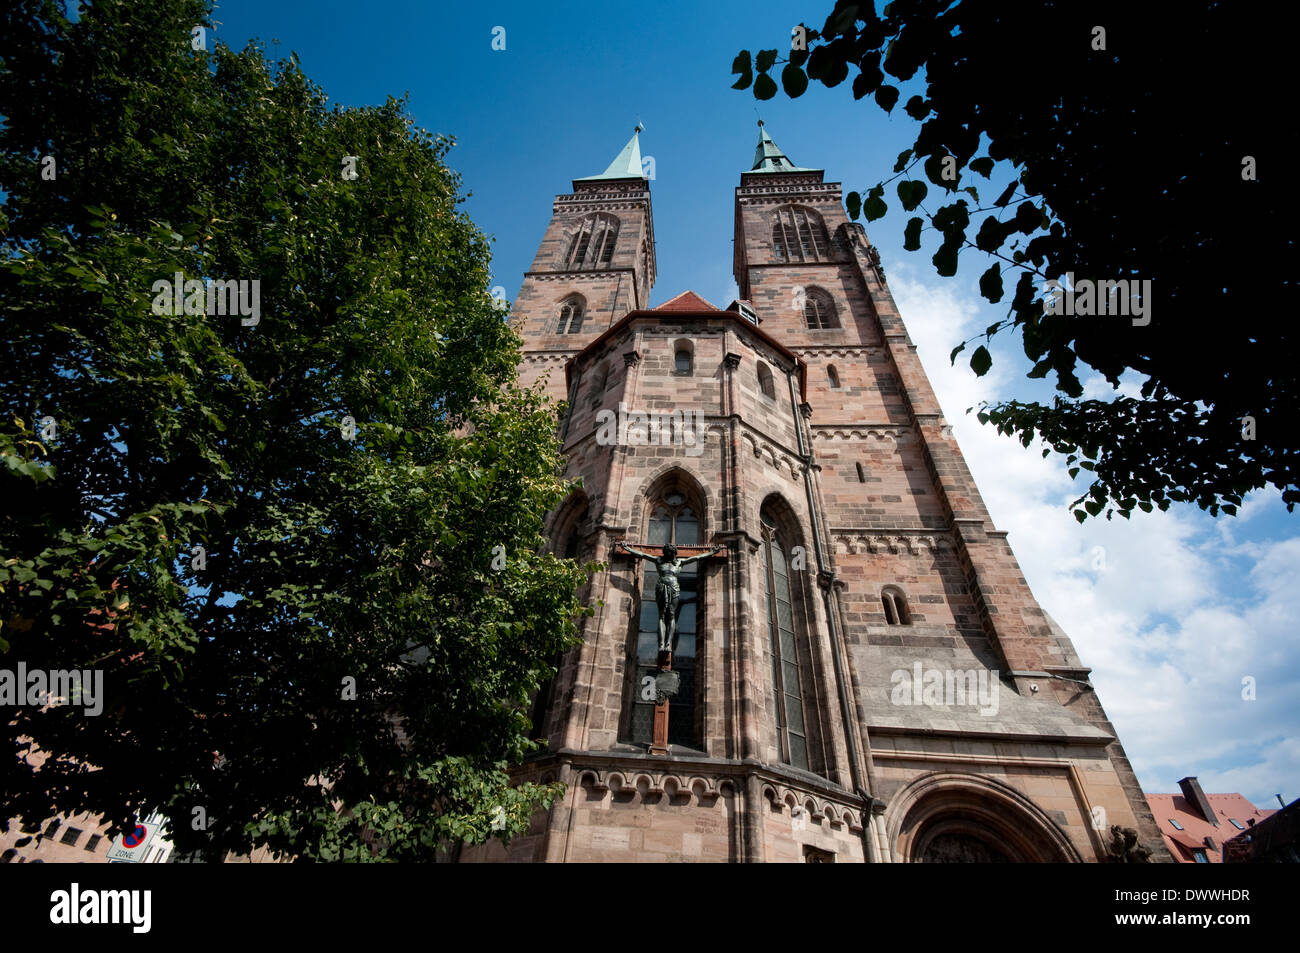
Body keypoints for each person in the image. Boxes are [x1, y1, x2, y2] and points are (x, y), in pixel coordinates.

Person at [619, 540, 721, 654]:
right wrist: (627, 549)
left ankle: (668, 644)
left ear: (674, 553)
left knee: (671, 615)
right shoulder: (658, 560)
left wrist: (711, 552)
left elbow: (697, 558)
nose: (669, 554)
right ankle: (662, 643)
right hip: (661, 587)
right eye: (667, 552)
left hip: (674, 587)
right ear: (665, 553)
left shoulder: (679, 562)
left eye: (671, 553)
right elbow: (642, 555)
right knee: (661, 615)